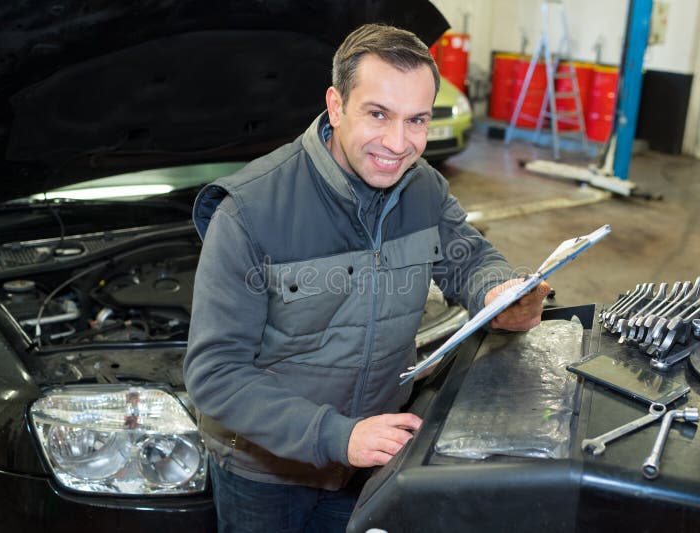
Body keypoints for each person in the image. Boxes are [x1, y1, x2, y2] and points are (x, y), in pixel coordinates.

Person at [184, 23, 550, 532]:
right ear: (336, 106)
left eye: (417, 120)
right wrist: (336, 436)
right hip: (267, 476)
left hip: (373, 459)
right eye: (378, 114)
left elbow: (468, 257)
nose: (398, 143)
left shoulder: (424, 188)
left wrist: (500, 291)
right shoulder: (249, 212)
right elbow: (215, 373)